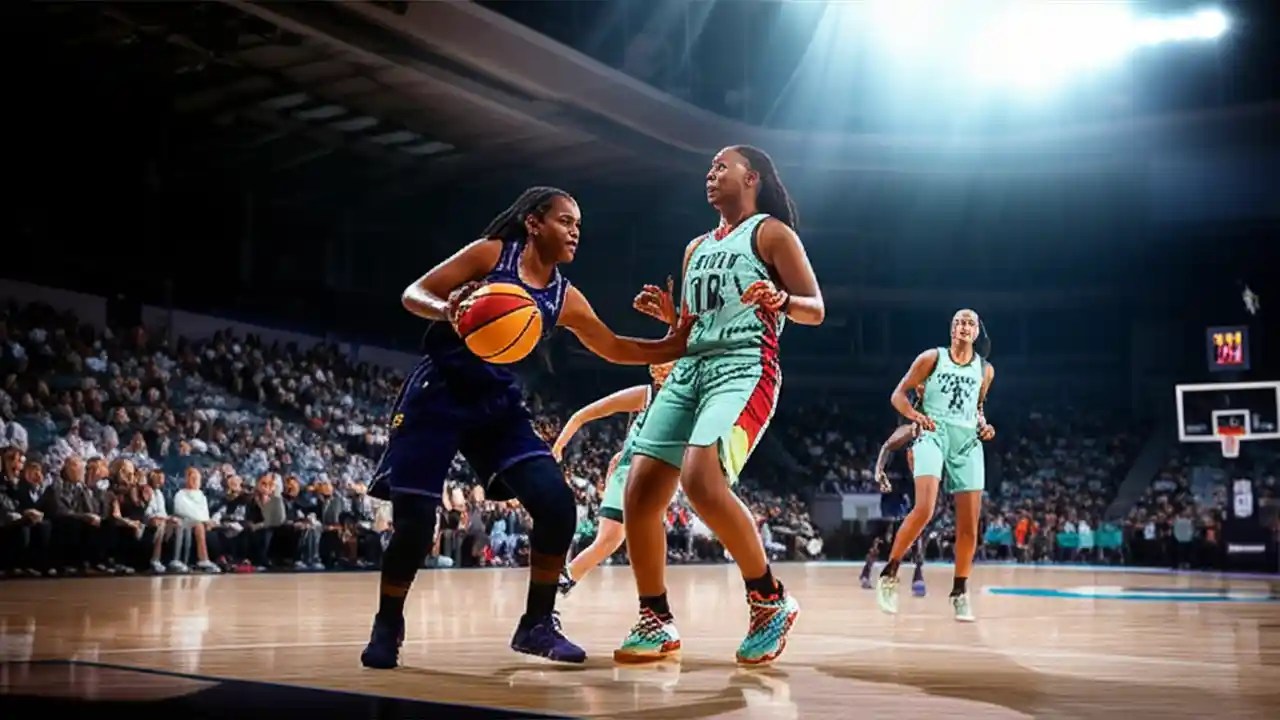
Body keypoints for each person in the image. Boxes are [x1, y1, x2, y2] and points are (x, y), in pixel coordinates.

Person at [360, 187, 694, 669]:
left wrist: (673, 345)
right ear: (534, 223)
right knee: (415, 526)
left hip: (496, 402)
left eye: (579, 224)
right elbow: (415, 293)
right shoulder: (493, 254)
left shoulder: (563, 295)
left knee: (558, 506)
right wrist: (448, 307)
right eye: (565, 220)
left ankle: (536, 623)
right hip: (438, 392)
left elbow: (614, 346)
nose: (575, 231)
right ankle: (388, 622)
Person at [616, 145, 824, 666]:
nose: (710, 175)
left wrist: (783, 302)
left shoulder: (772, 233)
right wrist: (670, 321)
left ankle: (769, 600)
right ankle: (655, 617)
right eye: (708, 169)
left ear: (751, 177)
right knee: (639, 493)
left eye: (720, 167)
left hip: (745, 365)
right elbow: (689, 330)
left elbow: (816, 309)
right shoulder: (694, 249)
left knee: (703, 480)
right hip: (690, 368)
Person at [875, 309, 995, 622]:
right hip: (932, 432)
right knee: (925, 508)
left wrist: (984, 424)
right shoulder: (932, 357)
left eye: (970, 322)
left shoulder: (986, 370)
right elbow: (898, 395)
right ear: (951, 329)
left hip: (967, 441)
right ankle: (890, 574)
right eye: (958, 322)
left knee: (969, 526)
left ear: (977, 332)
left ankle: (960, 592)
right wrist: (915, 416)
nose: (964, 326)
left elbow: (977, 408)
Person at [551, 359, 675, 595]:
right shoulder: (648, 395)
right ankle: (561, 580)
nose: (661, 368)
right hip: (632, 473)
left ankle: (564, 579)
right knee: (614, 540)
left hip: (660, 475)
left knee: (615, 540)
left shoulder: (689, 403)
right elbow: (583, 415)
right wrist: (558, 447)